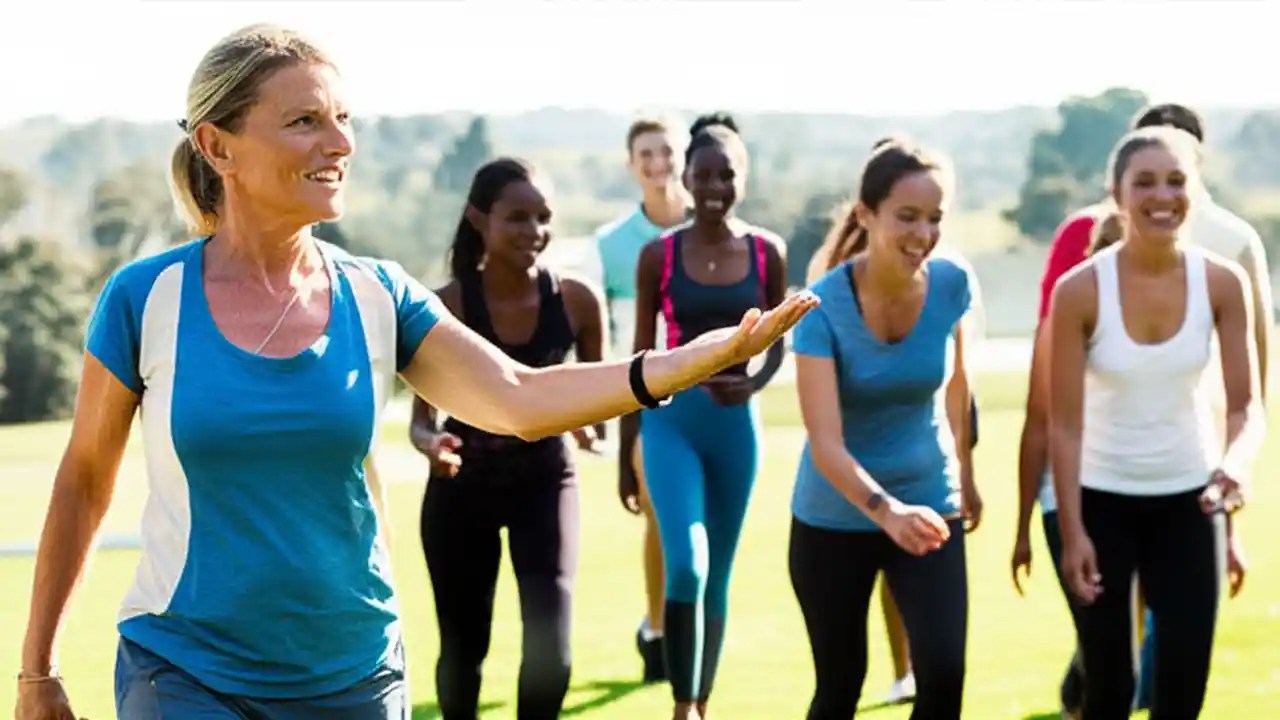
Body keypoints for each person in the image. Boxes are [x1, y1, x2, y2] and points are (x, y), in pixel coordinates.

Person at [13, 24, 816, 720]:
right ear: (217, 146)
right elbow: (85, 477)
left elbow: (517, 398)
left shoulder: (375, 294)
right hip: (185, 669)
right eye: (304, 121)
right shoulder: (143, 300)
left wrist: (685, 362)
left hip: (355, 674)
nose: (340, 143)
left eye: (342, 119)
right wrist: (38, 666)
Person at [1016, 102, 1260, 716]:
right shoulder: (1079, 291)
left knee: (1182, 691)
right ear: (1116, 197)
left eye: (1176, 180)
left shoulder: (1223, 283)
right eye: (1144, 182)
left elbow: (1246, 406)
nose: (1162, 196)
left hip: (1190, 502)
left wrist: (1236, 463)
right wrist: (1071, 532)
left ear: (1194, 190)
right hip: (1102, 503)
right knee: (1111, 690)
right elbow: (1065, 425)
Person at [408, 158, 608, 719]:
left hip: (545, 479)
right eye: (517, 217)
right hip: (461, 488)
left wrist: (591, 428)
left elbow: (598, 392)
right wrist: (432, 446)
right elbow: (421, 421)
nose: (534, 231)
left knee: (552, 650)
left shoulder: (577, 302)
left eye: (543, 217)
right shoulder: (444, 307)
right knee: (465, 649)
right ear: (479, 219)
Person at [789, 138, 981, 720]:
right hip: (834, 516)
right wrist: (886, 511)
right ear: (866, 215)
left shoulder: (952, 285)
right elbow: (825, 442)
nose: (923, 233)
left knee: (944, 675)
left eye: (934, 219)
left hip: (929, 504)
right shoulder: (819, 307)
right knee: (841, 683)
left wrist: (965, 477)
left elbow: (957, 384)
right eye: (907, 217)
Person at [620, 112, 788, 720]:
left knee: (717, 576)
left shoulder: (767, 251)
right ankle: (681, 703)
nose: (715, 187)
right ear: (685, 179)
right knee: (686, 564)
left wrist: (753, 383)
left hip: (736, 432)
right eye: (704, 175)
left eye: (728, 175)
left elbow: (779, 340)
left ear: (742, 178)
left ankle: (698, 704)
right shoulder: (657, 255)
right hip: (671, 424)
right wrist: (625, 456)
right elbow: (637, 364)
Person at [581, 116, 690, 682]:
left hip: (709, 397)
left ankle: (686, 630)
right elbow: (611, 339)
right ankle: (658, 629)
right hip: (650, 398)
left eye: (665, 151)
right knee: (661, 518)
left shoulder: (711, 227)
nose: (656, 162)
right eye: (645, 153)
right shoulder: (611, 244)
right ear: (631, 164)